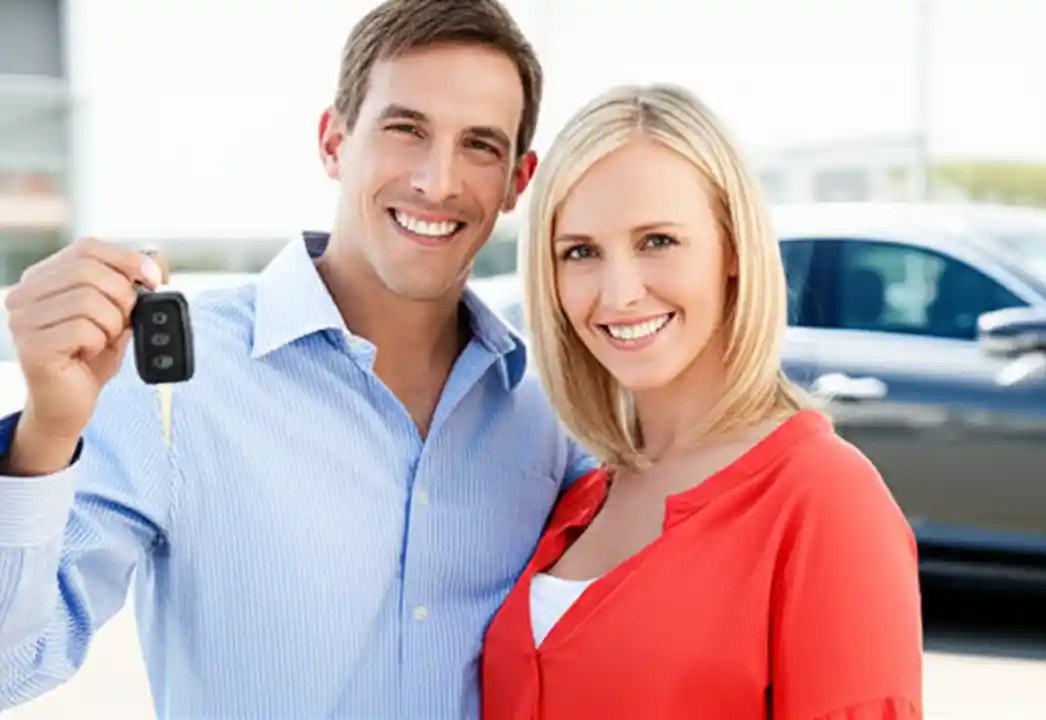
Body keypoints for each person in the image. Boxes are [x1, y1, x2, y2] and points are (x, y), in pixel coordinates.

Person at [0, 1, 592, 717]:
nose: (438, 182)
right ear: (334, 142)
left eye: (479, 146)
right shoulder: (176, 385)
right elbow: (12, 666)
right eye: (406, 129)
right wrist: (46, 433)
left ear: (516, 183)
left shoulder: (553, 404)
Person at [480, 84, 924, 719]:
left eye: (657, 240)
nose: (620, 291)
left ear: (733, 249)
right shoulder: (582, 494)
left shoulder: (825, 500)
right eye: (580, 251)